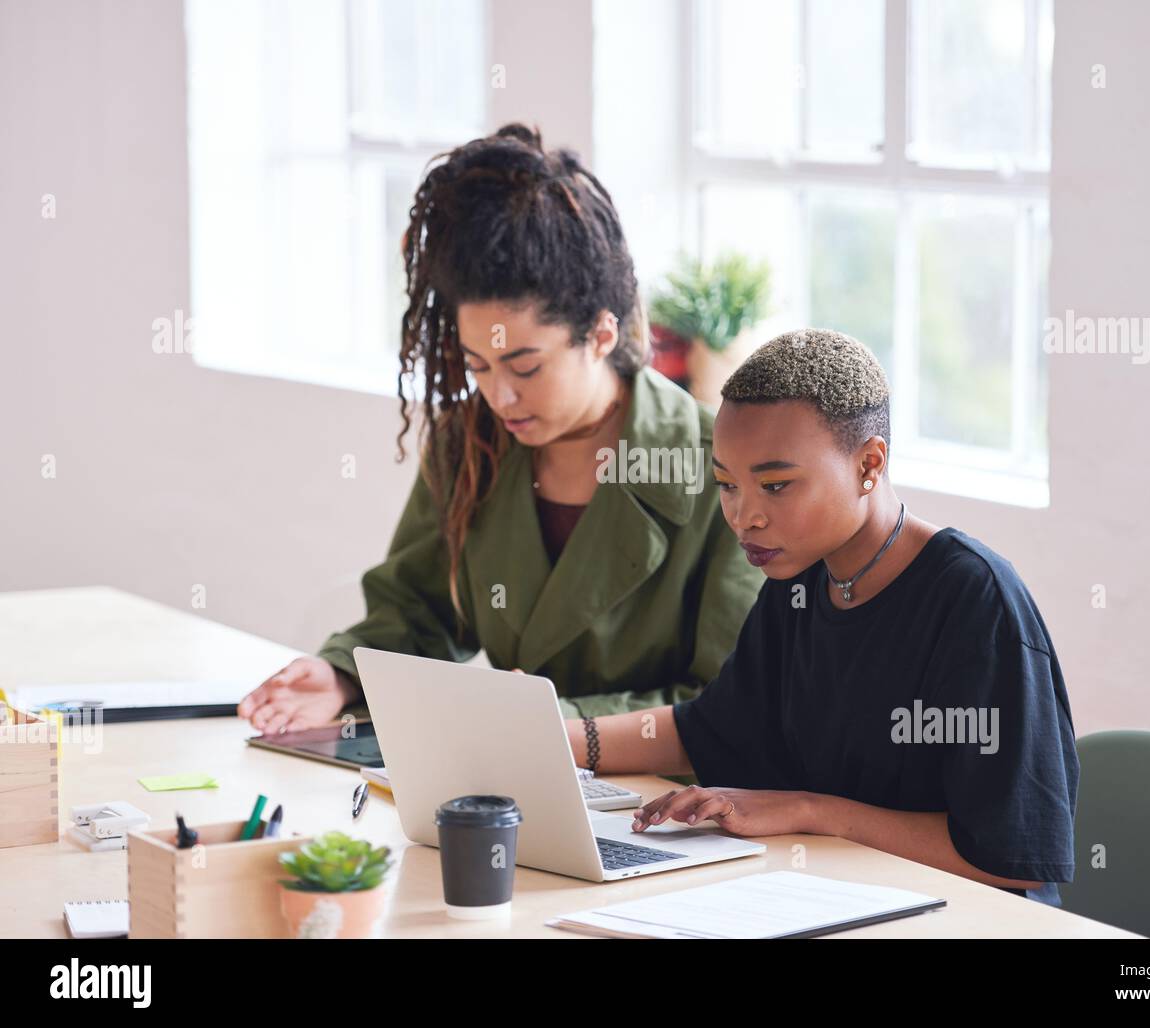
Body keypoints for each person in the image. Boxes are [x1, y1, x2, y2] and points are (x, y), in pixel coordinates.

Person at [239, 124, 763, 733]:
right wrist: (342, 675)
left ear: (600, 334)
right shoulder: (472, 442)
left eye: (525, 365)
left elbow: (729, 702)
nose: (500, 395)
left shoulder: (720, 465)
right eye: (477, 365)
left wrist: (551, 722)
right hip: (513, 777)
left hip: (671, 807)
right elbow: (418, 611)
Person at [563, 328, 1080, 905]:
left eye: (776, 485)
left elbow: (1005, 858)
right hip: (837, 895)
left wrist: (810, 811)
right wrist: (554, 738)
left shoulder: (975, 602)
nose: (744, 517)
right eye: (727, 485)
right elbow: (705, 731)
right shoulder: (802, 580)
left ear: (869, 463)